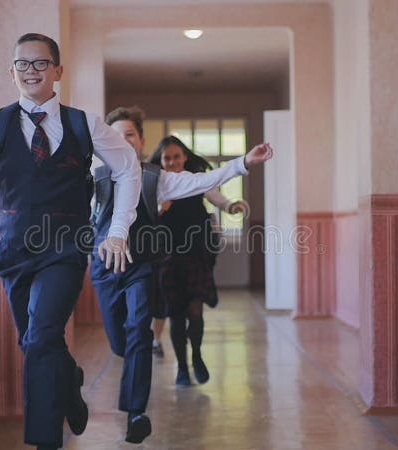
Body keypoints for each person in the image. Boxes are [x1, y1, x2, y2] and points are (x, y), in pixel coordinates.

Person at [0, 30, 141, 450]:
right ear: (12, 71)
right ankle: (70, 379)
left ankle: (44, 442)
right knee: (38, 342)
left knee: (39, 340)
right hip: (14, 253)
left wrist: (116, 231)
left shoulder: (83, 124)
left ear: (57, 71)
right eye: (23, 63)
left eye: (40, 63)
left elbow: (128, 167)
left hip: (65, 250)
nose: (31, 70)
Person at [95, 106, 273, 443]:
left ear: (141, 141)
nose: (123, 140)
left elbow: (205, 181)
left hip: (142, 265)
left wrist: (242, 162)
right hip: (104, 268)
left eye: (130, 134)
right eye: (116, 135)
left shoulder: (155, 178)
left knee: (139, 334)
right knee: (120, 343)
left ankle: (136, 412)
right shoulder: (94, 177)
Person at [148, 136, 254, 387]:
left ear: (185, 157)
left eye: (176, 156)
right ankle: (182, 369)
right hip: (168, 257)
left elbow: (217, 197)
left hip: (196, 253)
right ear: (161, 162)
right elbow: (146, 215)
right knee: (174, 314)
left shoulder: (196, 180)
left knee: (195, 310)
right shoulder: (157, 184)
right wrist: (162, 206)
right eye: (167, 158)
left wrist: (231, 205)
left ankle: (196, 356)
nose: (172, 161)